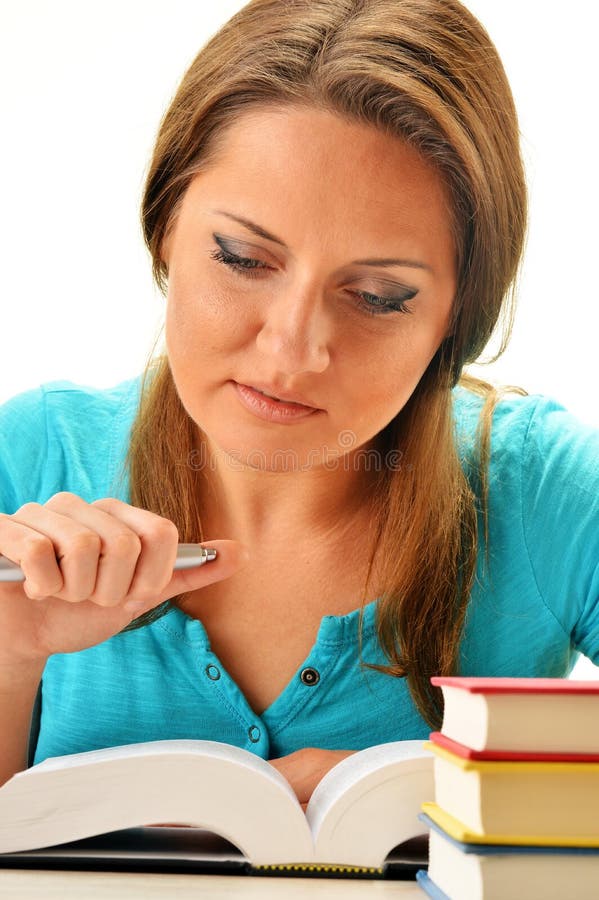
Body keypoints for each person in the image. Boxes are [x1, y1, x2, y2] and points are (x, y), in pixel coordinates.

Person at [0, 0, 598, 812]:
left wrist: (442, 789)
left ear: (458, 317)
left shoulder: (547, 492)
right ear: (165, 227)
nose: (290, 352)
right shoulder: (30, 460)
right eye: (243, 258)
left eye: (379, 297)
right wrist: (9, 655)